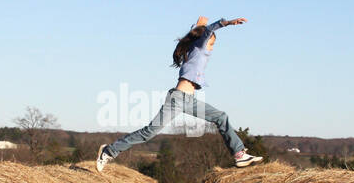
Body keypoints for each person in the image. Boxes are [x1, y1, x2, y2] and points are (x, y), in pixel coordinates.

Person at [97, 15, 264, 170]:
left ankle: (239, 154)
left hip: (190, 101)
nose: (212, 48)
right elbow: (205, 33)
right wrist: (226, 23)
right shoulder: (199, 48)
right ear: (204, 41)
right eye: (211, 44)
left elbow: (196, 34)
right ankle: (109, 151)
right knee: (149, 132)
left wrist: (198, 26)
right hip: (177, 99)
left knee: (221, 117)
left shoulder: (194, 49)